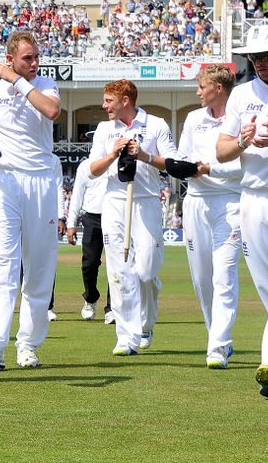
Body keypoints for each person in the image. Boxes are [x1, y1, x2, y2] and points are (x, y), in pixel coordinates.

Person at [217, 24, 268, 399]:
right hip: (251, 197)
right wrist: (242, 140)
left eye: (266, 56)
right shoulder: (239, 95)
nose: (259, 63)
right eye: (253, 57)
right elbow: (220, 151)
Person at [0, 31, 62, 371]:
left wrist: (17, 79)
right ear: (11, 57)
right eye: (28, 58)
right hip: (5, 181)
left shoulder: (45, 84)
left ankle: (27, 344)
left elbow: (52, 110)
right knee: (0, 262)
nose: (35, 62)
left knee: (39, 268)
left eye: (36, 56)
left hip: (41, 180)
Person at [89, 79, 178, 356]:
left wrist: (143, 155)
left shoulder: (156, 124)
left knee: (147, 271)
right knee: (119, 271)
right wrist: (113, 154)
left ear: (125, 100)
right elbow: (93, 169)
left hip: (146, 201)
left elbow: (172, 163)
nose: (104, 106)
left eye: (109, 101)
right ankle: (126, 336)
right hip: (115, 202)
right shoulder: (104, 129)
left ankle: (146, 324)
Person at [177, 65, 242, 369]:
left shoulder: (238, 118)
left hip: (230, 203)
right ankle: (215, 335)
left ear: (218, 88)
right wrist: (190, 167)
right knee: (203, 280)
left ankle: (218, 345)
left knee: (223, 275)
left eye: (201, 86)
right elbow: (183, 156)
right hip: (196, 202)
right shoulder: (193, 118)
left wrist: (211, 169)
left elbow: (246, 167)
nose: (197, 92)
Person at [66, 158, 112, 323]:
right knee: (89, 263)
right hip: (92, 216)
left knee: (117, 264)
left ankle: (112, 308)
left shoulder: (119, 161)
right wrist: (71, 224)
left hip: (116, 216)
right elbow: (77, 195)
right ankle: (90, 298)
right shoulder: (86, 165)